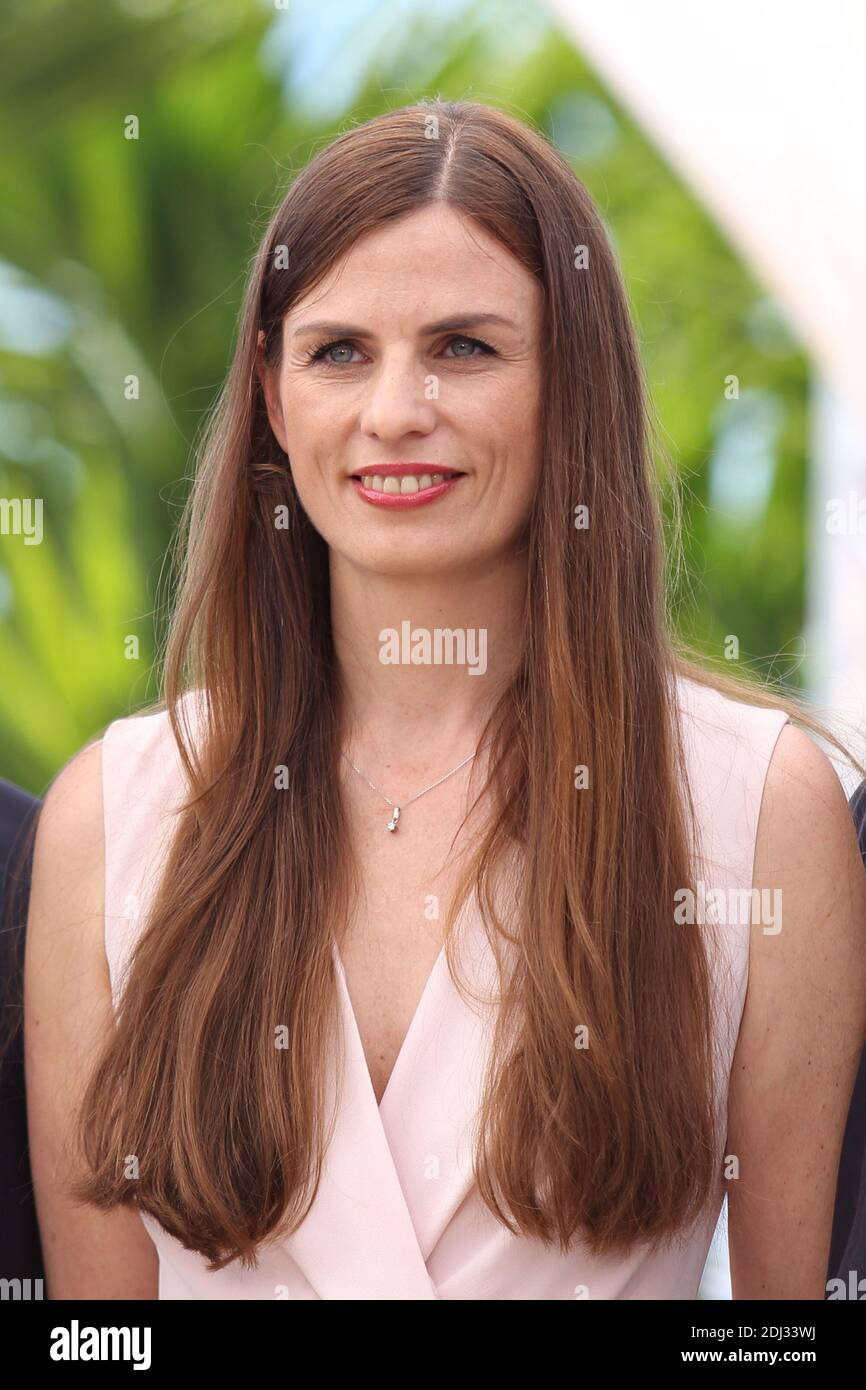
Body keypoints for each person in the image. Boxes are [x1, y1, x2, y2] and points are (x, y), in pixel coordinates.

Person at [20, 100, 866, 1300]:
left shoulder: (754, 809)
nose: (393, 411)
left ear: (570, 380)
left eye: (463, 347)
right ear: (269, 393)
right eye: (337, 351)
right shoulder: (113, 816)